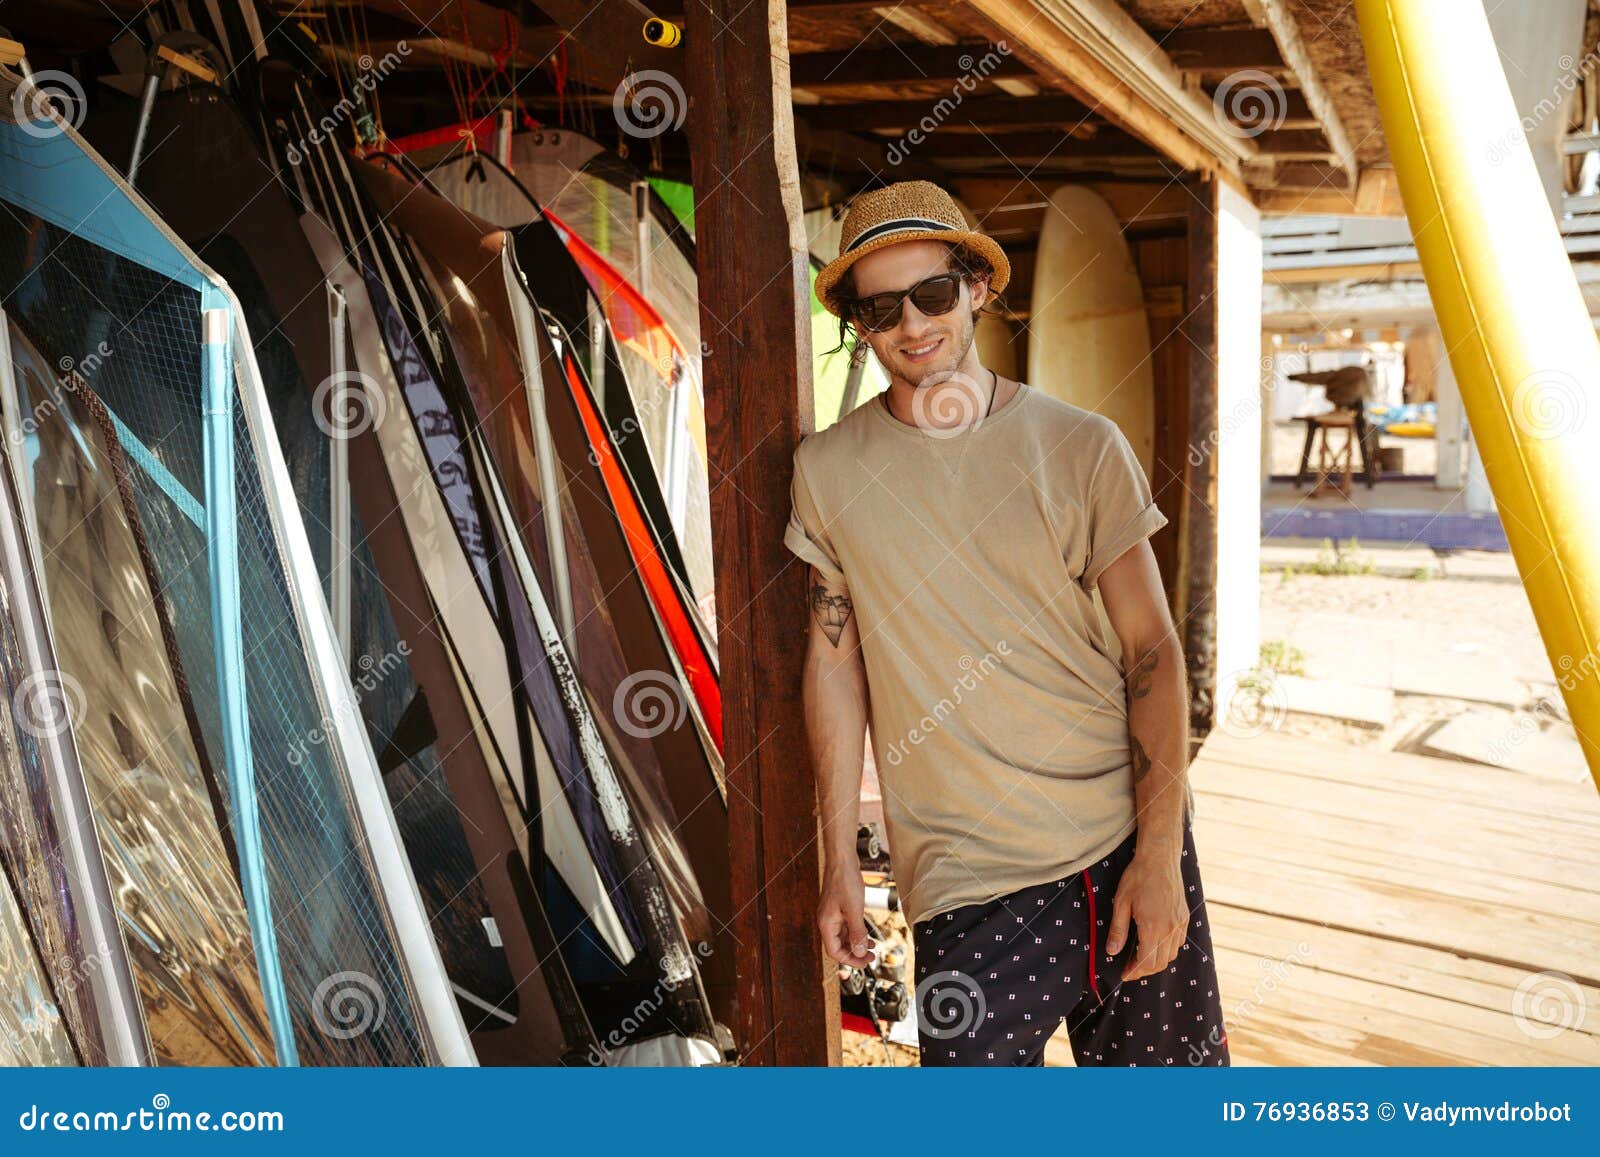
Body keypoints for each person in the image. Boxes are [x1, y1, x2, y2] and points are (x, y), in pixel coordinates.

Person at [785, 180, 1228, 1067]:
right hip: (964, 880)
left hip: (1117, 848)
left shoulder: (1081, 446)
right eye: (880, 309)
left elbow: (1152, 651)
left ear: (978, 288)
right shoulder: (828, 472)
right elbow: (836, 668)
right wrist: (836, 860)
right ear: (858, 325)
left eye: (933, 294)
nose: (912, 325)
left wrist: (1161, 852)